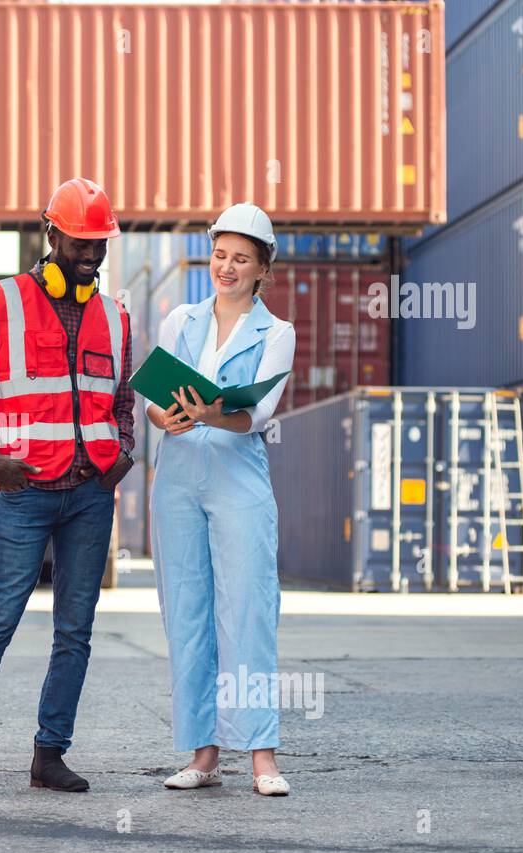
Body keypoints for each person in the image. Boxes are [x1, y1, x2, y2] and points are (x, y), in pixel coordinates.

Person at [0, 177, 136, 799]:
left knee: (75, 629)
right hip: (24, 492)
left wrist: (123, 450)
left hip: (90, 494)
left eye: (99, 244)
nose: (91, 256)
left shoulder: (116, 314)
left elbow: (122, 402)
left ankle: (50, 754)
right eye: (80, 243)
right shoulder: (2, 302)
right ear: (51, 234)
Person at [146, 203, 296, 797]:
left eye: (240, 259)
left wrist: (215, 412)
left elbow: (258, 414)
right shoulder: (179, 320)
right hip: (178, 476)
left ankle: (263, 755)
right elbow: (152, 402)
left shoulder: (276, 333)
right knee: (186, 613)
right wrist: (167, 416)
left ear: (263, 269)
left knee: (249, 613)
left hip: (238, 478)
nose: (226, 267)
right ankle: (203, 753)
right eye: (219, 254)